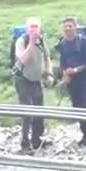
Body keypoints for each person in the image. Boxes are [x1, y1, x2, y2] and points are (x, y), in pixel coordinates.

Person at [56, 17, 86, 147]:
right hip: (72, 80)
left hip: (84, 78)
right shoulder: (62, 44)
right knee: (77, 107)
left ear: (75, 27)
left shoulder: (82, 41)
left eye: (70, 26)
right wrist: (65, 73)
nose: (67, 29)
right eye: (65, 27)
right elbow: (63, 62)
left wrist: (76, 70)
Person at [13, 17, 53, 153]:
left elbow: (47, 58)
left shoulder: (41, 41)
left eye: (36, 27)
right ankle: (25, 143)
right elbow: (23, 59)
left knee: (39, 110)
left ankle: (36, 139)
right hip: (22, 79)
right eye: (31, 27)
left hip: (36, 79)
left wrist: (49, 74)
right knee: (27, 112)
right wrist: (31, 42)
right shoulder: (21, 41)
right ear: (26, 29)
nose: (34, 29)